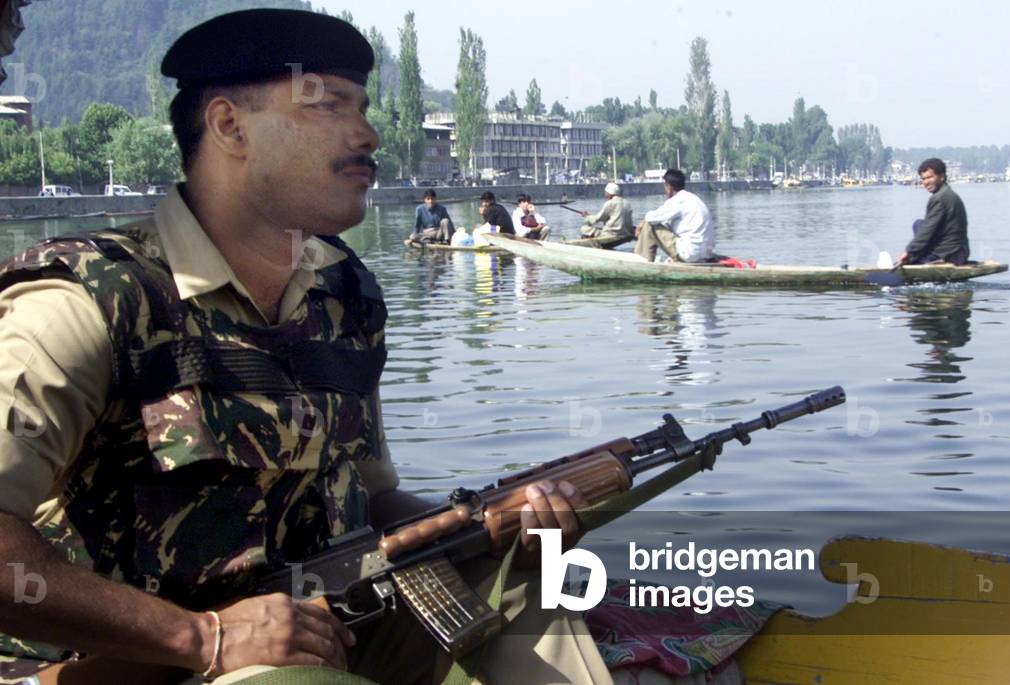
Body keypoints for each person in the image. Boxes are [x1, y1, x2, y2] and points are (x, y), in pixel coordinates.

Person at [0, 9, 590, 685]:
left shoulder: (345, 296)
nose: (367, 135)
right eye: (329, 106)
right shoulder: (88, 301)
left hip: (322, 628)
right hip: (118, 669)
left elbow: (371, 497)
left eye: (362, 108)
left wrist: (485, 521)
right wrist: (203, 635)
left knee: (525, 587)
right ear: (229, 126)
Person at [895, 158, 969, 266]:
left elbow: (927, 231)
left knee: (910, 262)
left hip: (951, 254)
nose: (926, 182)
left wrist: (909, 252)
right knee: (918, 224)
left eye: (930, 177)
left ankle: (927, 258)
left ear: (942, 177)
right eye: (923, 179)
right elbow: (927, 228)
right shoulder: (946, 194)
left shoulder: (939, 198)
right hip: (959, 251)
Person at [634, 169, 715, 263]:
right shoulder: (693, 199)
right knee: (658, 223)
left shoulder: (678, 201)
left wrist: (642, 223)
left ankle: (642, 261)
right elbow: (664, 221)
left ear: (669, 187)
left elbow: (651, 218)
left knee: (649, 225)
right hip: (706, 254)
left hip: (690, 254)